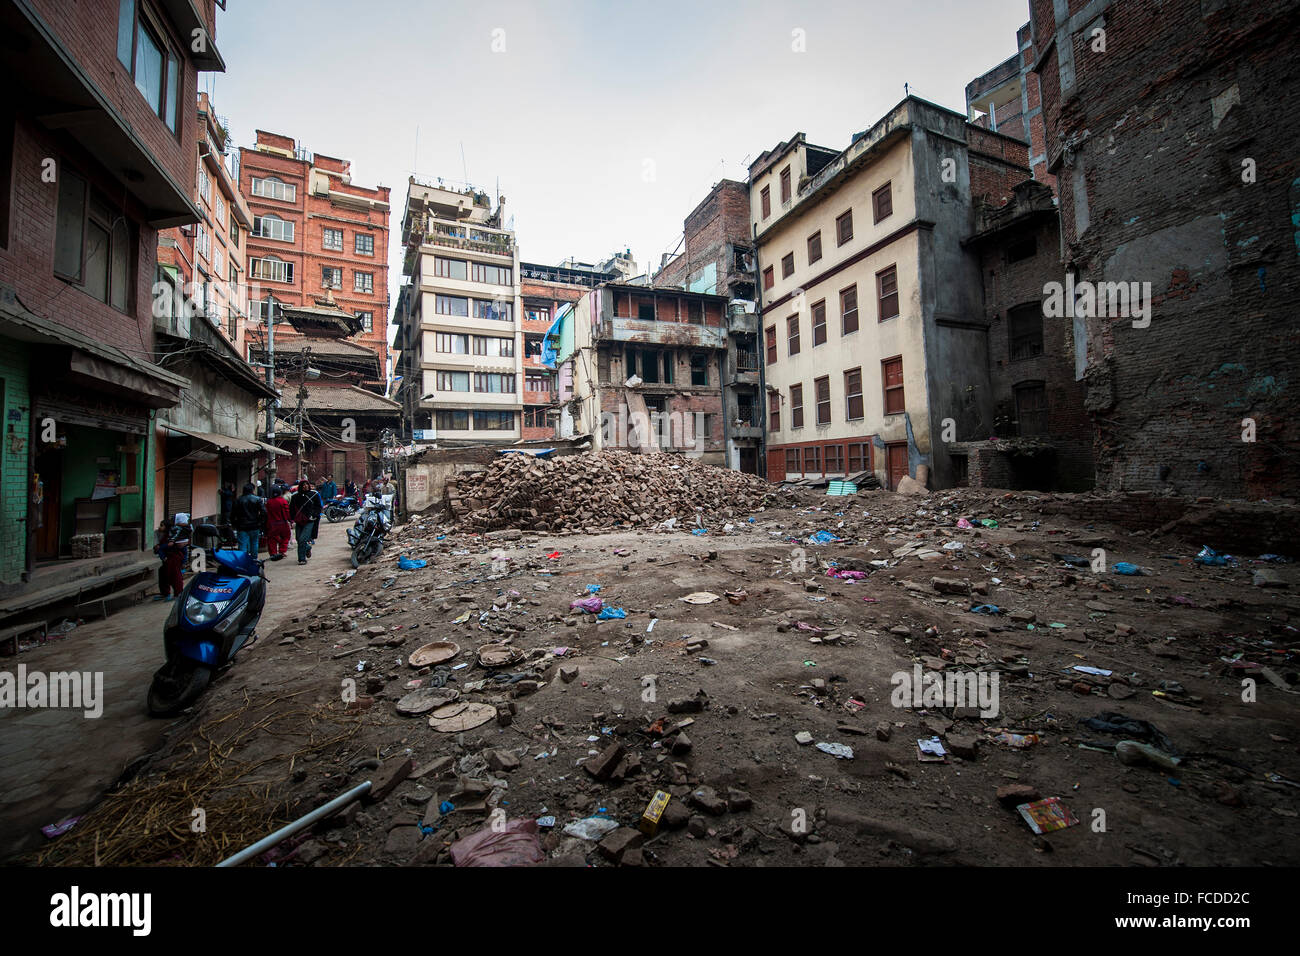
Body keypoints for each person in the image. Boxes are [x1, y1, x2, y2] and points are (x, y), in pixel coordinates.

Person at [153, 514, 189, 600]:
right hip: (167, 558)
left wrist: (184, 561)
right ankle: (165, 593)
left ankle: (178, 593)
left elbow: (181, 547)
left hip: (174, 557)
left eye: (162, 525)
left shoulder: (178, 534)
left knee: (175, 575)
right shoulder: (167, 534)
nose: (160, 527)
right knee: (163, 573)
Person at [289, 479, 322, 565]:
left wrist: (314, 515)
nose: (305, 486)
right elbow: (292, 509)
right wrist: (292, 519)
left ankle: (301, 559)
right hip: (299, 521)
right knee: (298, 539)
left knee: (303, 539)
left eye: (306, 484)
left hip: (309, 520)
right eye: (303, 485)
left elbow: (318, 507)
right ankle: (307, 548)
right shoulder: (295, 496)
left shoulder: (314, 495)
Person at [230, 482, 266, 557]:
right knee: (254, 543)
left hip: (242, 526)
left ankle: (242, 561)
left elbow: (233, 514)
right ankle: (254, 559)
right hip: (254, 525)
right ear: (252, 490)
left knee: (242, 544)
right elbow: (264, 512)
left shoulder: (238, 500)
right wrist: (260, 521)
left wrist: (234, 523)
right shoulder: (257, 499)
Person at [265, 485, 292, 561]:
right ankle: (282, 551)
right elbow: (287, 512)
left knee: (272, 539)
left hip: (272, 524)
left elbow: (266, 514)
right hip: (283, 523)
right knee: (286, 537)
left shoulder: (269, 502)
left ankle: (273, 553)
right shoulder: (282, 501)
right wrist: (290, 520)